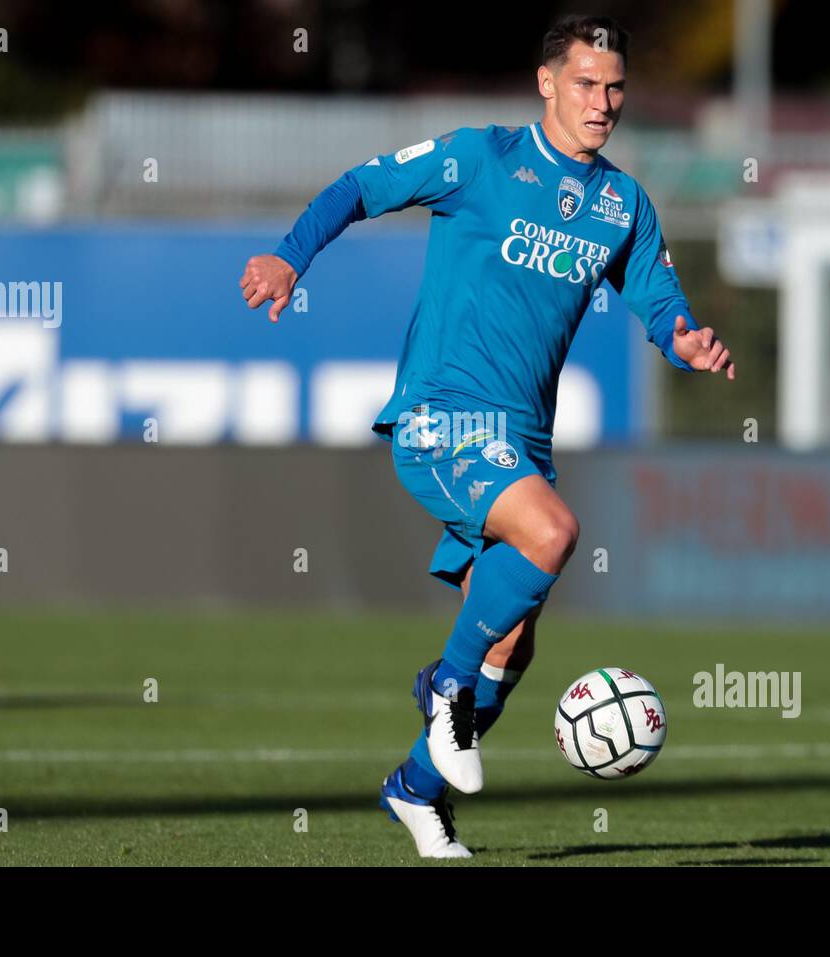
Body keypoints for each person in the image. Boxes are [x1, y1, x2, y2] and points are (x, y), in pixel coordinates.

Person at [240, 14, 736, 858]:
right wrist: (292, 256)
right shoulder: (482, 158)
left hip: (521, 439)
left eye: (616, 87)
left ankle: (415, 790)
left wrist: (682, 337)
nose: (604, 102)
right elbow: (361, 184)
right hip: (442, 413)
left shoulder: (622, 202)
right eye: (586, 83)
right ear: (547, 84)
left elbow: (658, 298)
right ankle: (446, 688)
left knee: (514, 635)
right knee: (553, 532)